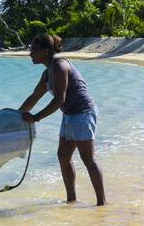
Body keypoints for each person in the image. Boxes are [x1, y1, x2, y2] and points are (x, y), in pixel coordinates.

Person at [19, 33, 106, 206]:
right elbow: (34, 97)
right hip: (70, 114)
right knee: (63, 156)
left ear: (45, 51)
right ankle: (71, 200)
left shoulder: (59, 66)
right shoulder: (47, 73)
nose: (30, 54)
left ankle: (101, 203)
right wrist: (16, 115)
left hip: (83, 113)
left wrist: (35, 118)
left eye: (34, 50)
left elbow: (59, 99)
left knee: (88, 159)